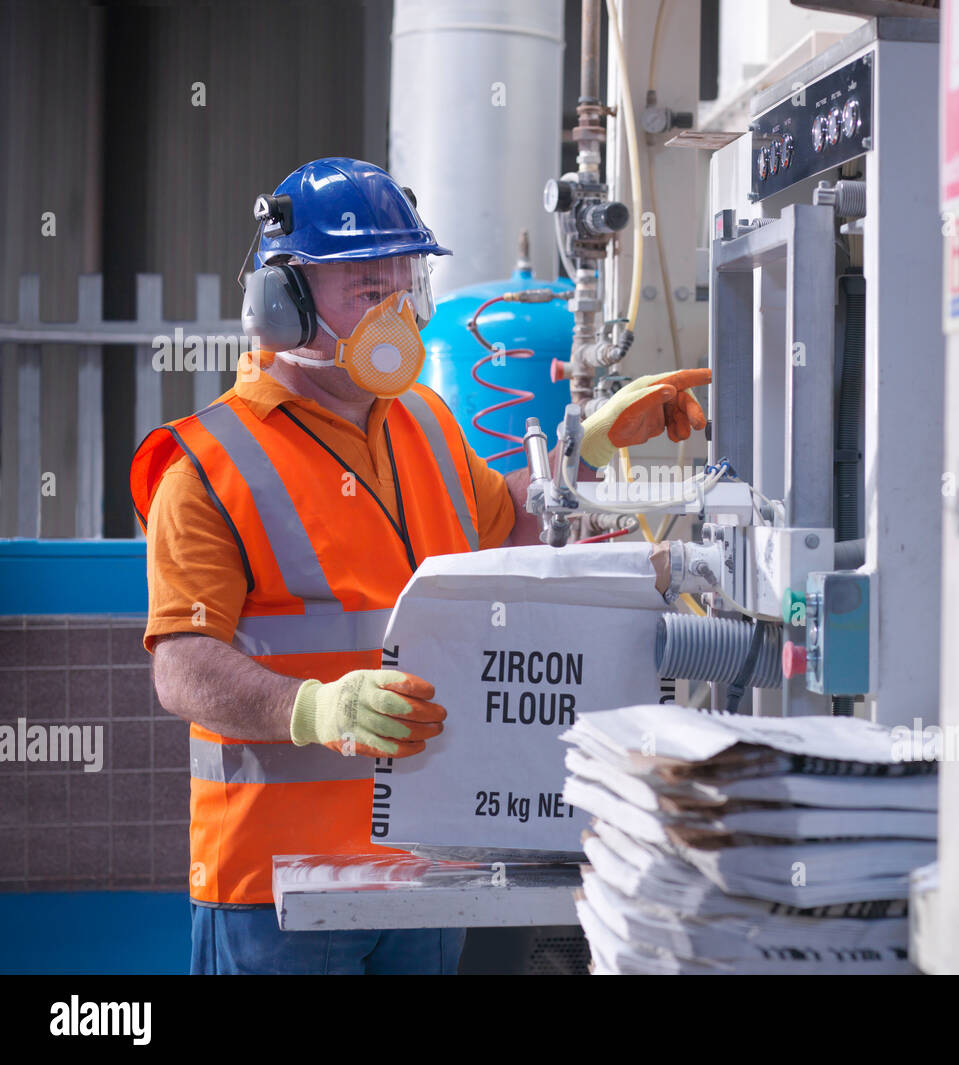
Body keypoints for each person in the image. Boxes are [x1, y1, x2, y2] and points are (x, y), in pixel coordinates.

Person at [129, 157, 710, 974]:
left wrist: (594, 443)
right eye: (367, 293)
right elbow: (183, 668)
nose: (395, 314)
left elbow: (510, 517)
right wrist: (318, 710)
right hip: (272, 890)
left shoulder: (424, 423)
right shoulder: (206, 465)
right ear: (282, 305)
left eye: (404, 289)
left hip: (423, 867)